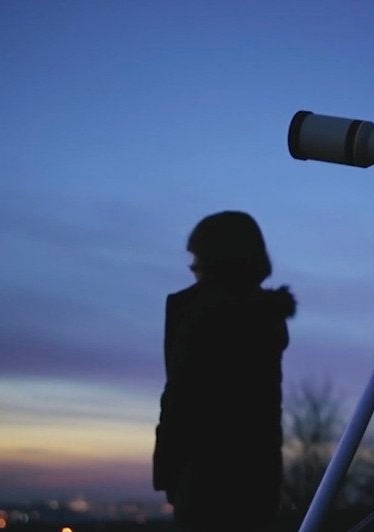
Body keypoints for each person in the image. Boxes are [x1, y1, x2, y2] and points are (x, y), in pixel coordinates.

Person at [152, 210, 296, 531]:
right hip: (257, 476)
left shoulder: (198, 312)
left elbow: (179, 396)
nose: (192, 267)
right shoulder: (266, 314)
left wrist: (169, 473)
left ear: (215, 258)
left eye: (197, 258)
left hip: (204, 476)